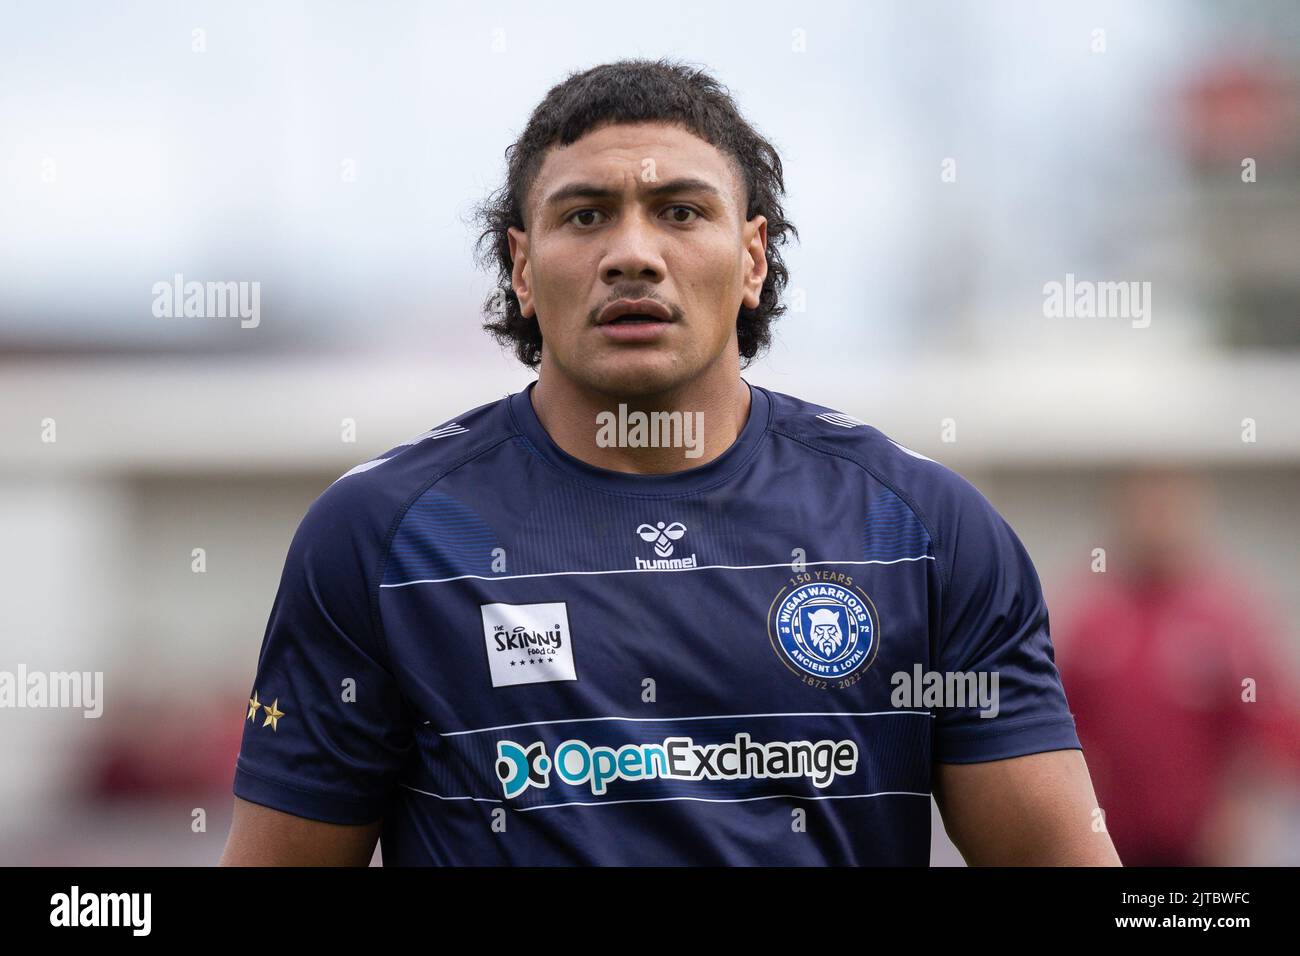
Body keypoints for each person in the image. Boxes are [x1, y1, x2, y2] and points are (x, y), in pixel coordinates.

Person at [219, 58, 1119, 866]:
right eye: (586, 217)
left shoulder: (925, 531)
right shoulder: (381, 536)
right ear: (523, 269)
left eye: (680, 212)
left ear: (753, 259)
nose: (633, 256)